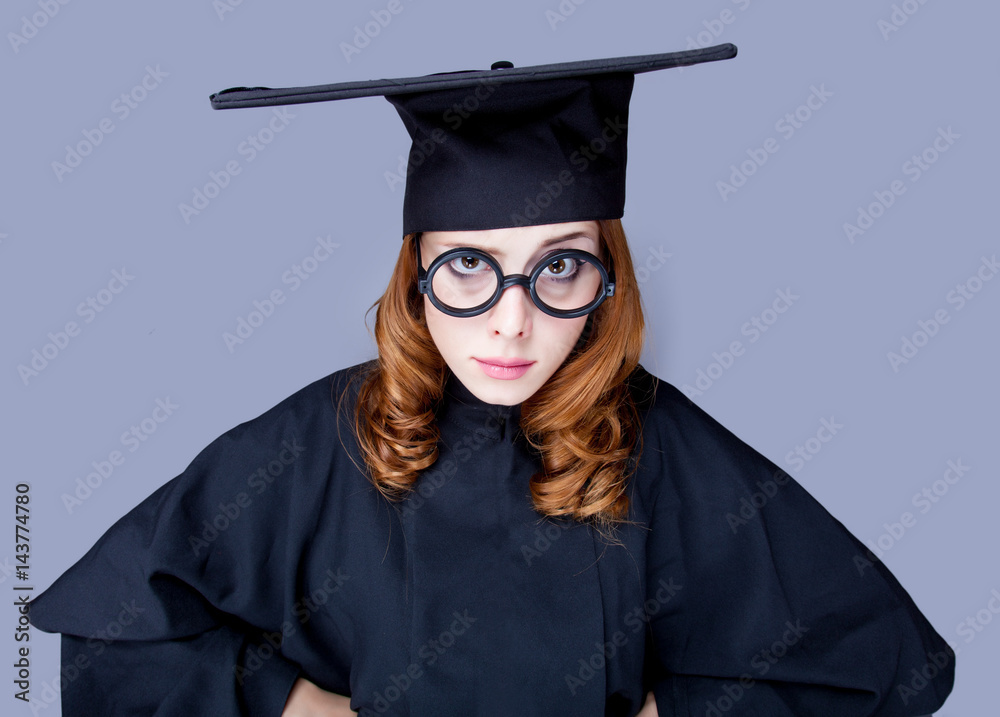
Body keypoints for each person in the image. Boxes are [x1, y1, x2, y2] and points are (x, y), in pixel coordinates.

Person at [29, 45, 954, 716]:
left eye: (559, 268)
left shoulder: (659, 445)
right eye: (469, 266)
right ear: (416, 274)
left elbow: (872, 657)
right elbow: (117, 626)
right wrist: (298, 706)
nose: (513, 320)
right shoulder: (323, 437)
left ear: (606, 280)